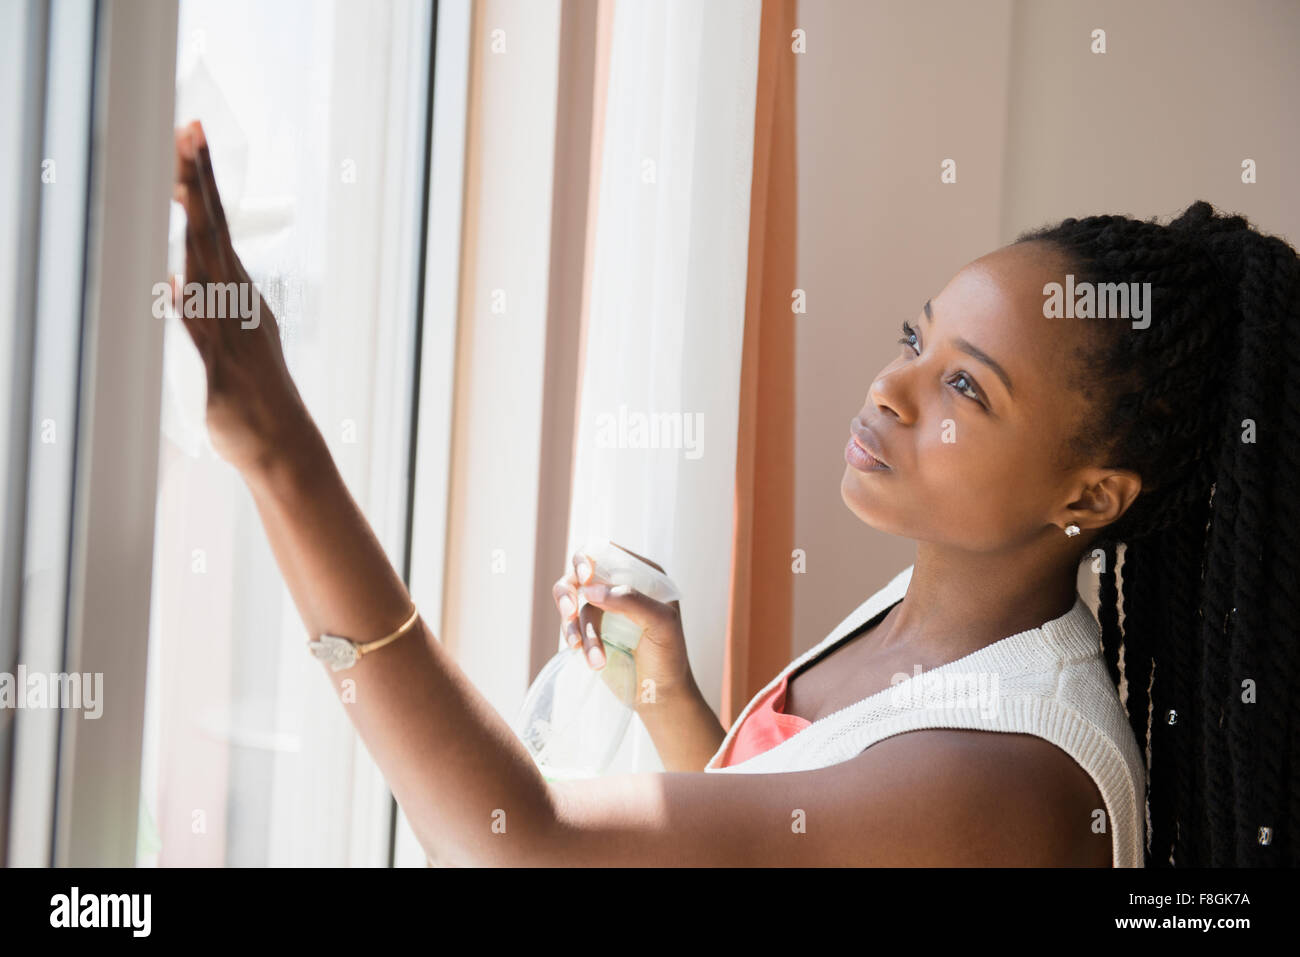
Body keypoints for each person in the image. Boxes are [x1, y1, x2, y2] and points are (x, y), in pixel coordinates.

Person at [172, 117, 1298, 867]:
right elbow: (794, 834)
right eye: (917, 335)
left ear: (1091, 497)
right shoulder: (933, 618)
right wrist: (675, 708)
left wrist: (285, 456)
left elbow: (521, 841)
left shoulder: (1003, 780)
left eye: (965, 383)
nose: (890, 386)